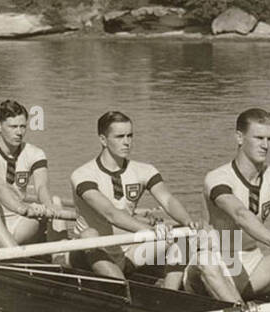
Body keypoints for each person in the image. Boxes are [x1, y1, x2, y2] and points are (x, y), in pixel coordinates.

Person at [68, 110, 235, 299]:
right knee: (90, 235)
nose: (127, 142)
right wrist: (149, 230)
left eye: (130, 136)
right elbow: (111, 214)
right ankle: (121, 291)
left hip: (126, 253)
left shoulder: (144, 170)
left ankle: (168, 297)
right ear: (103, 140)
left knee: (181, 235)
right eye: (120, 136)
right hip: (89, 254)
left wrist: (189, 222)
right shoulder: (82, 174)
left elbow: (167, 200)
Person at [192, 107, 270, 299]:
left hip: (252, 264)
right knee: (206, 261)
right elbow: (240, 214)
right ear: (239, 138)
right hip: (216, 262)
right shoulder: (217, 178)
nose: (265, 145)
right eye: (258, 138)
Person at [0, 99, 60, 247]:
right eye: (13, 127)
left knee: (55, 202)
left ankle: (60, 257)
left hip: (18, 224)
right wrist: (22, 208)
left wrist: (48, 206)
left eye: (23, 126)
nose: (19, 132)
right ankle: (16, 259)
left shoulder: (35, 153)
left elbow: (42, 187)